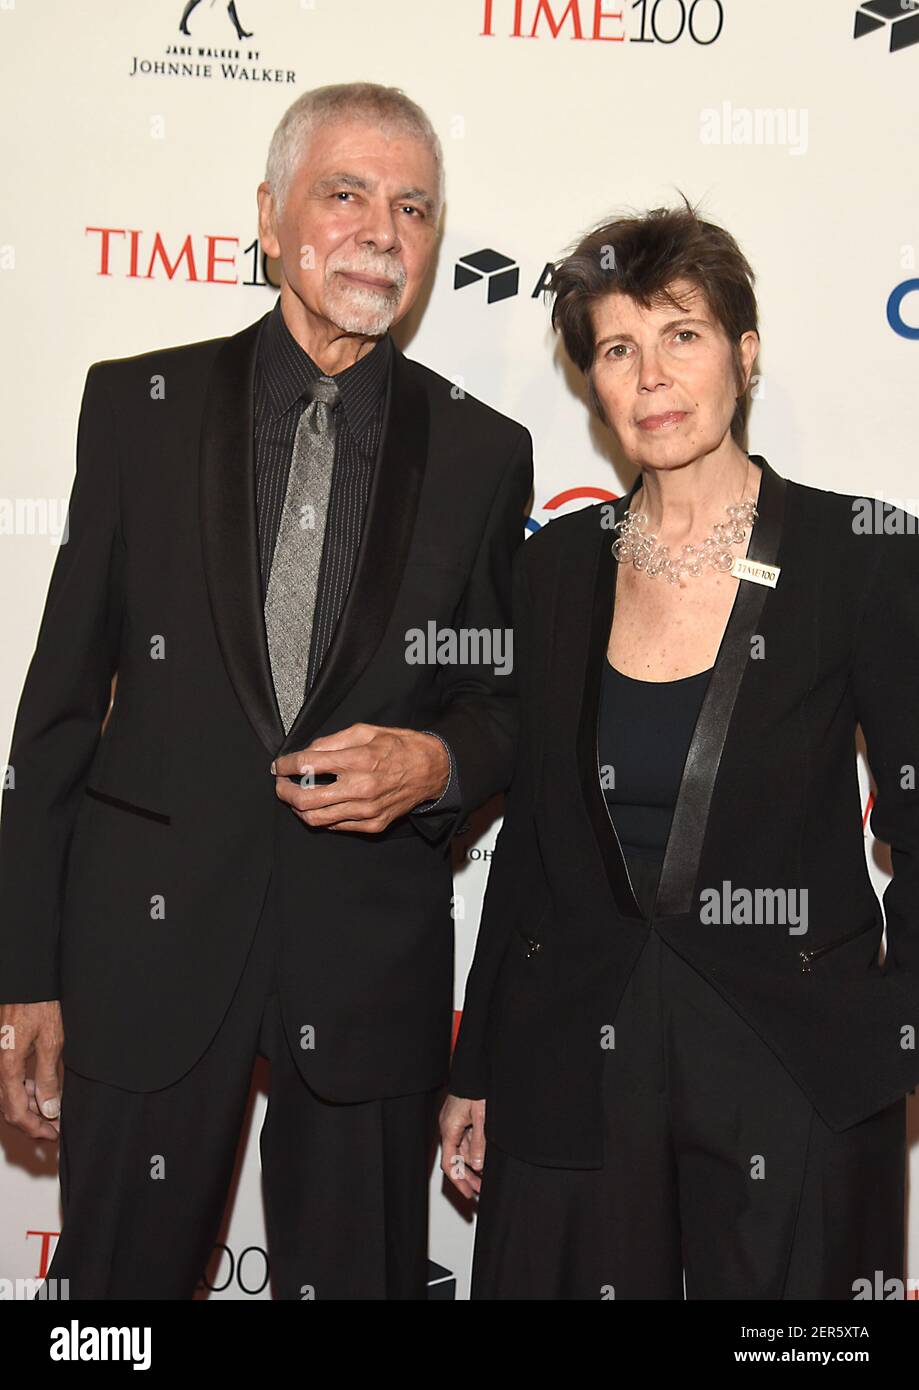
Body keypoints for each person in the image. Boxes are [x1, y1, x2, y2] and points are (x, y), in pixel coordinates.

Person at [0, 81, 533, 1300]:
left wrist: (436, 766)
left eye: (412, 207)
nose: (380, 232)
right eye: (343, 193)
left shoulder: (483, 452)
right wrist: (23, 968)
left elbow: (505, 707)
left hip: (363, 963)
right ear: (269, 215)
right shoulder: (137, 405)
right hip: (144, 951)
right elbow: (60, 704)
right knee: (107, 1306)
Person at [441, 199, 919, 1300]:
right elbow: (531, 841)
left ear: (743, 355)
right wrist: (477, 1064)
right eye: (617, 347)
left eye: (681, 334)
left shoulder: (863, 556)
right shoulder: (558, 565)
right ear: (592, 384)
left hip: (790, 1058)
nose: (650, 375)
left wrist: (891, 1031)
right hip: (576, 1055)